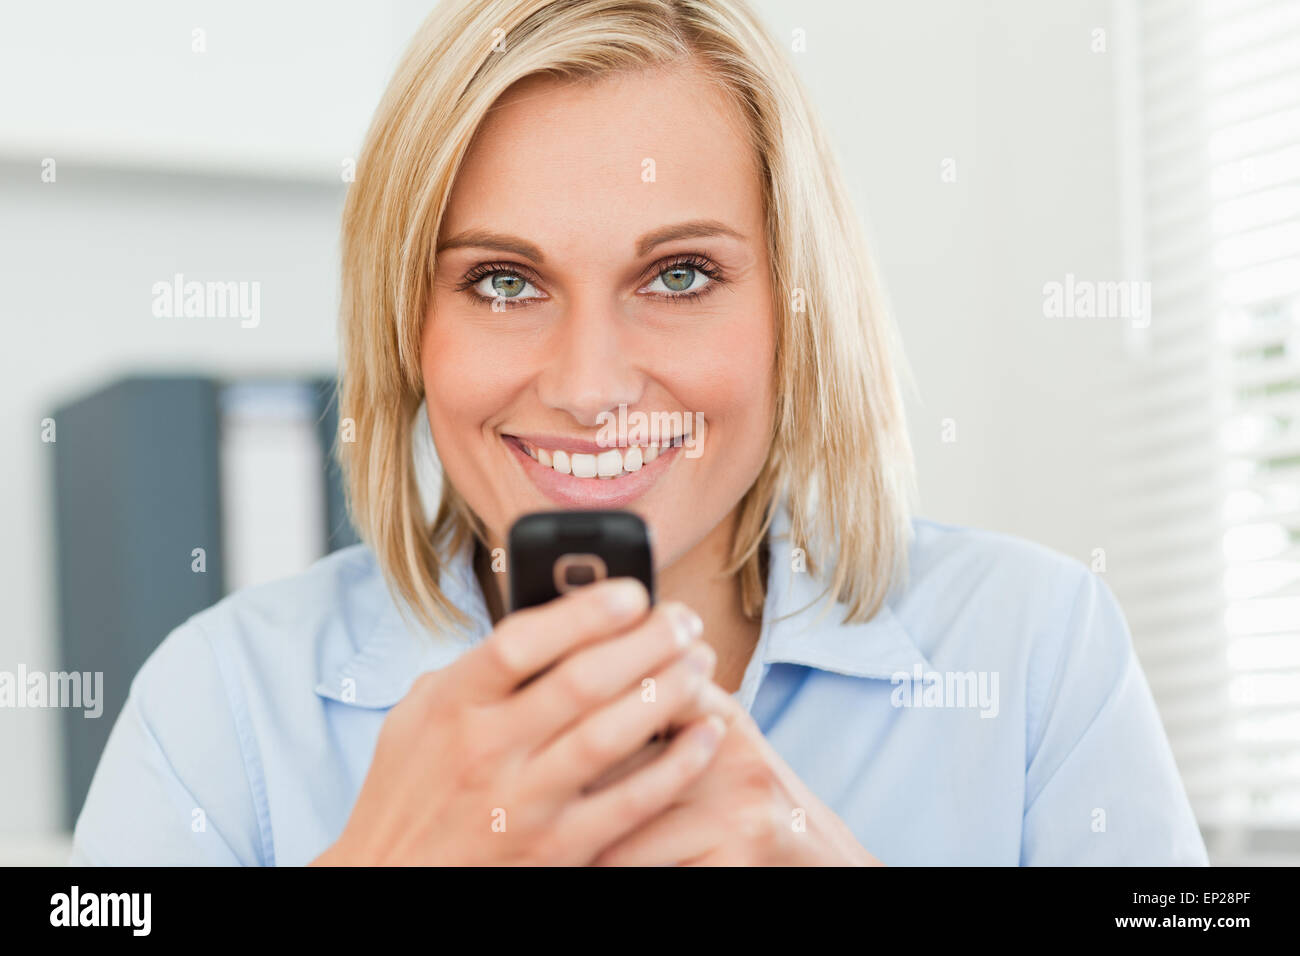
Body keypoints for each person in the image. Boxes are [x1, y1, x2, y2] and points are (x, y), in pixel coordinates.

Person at [70, 0, 1207, 866]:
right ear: (408, 326)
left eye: (679, 272)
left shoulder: (1037, 648)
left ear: (795, 310)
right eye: (505, 281)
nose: (590, 383)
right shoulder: (219, 702)